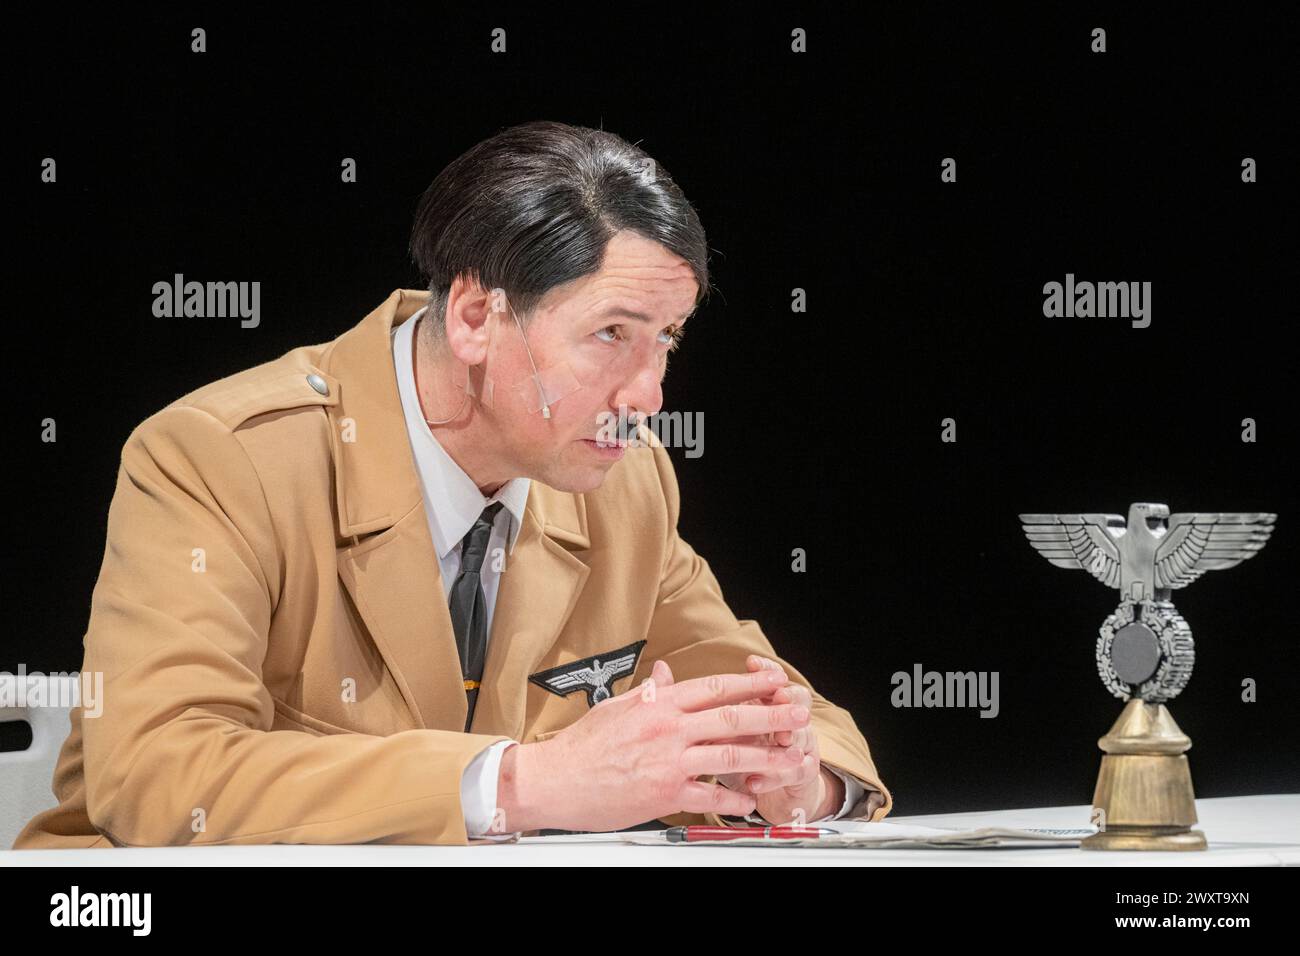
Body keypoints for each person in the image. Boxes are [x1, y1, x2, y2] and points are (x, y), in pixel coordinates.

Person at [14, 121, 891, 848]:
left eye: (667, 338)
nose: (648, 397)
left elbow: (762, 693)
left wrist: (797, 779)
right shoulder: (218, 456)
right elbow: (158, 771)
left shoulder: (622, 485)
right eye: (612, 332)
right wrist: (523, 783)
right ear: (477, 316)